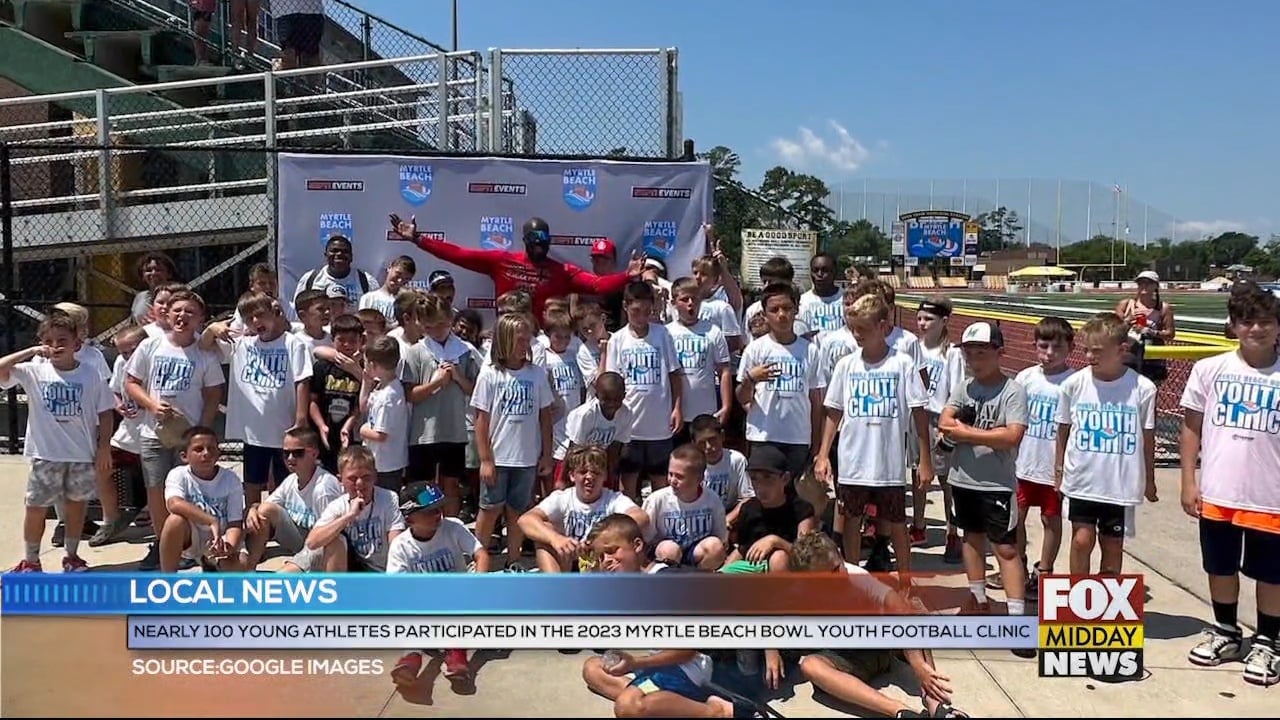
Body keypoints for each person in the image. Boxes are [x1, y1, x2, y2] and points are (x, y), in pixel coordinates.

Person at [1180, 280, 1280, 686]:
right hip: (1220, 490)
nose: (1256, 329)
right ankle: (1226, 631)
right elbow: (1190, 428)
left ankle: (1269, 641)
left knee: (1272, 575)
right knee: (1220, 566)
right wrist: (1189, 479)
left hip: (1271, 495)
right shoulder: (1210, 369)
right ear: (1234, 325)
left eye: (1266, 321)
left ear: (1278, 326)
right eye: (1247, 321)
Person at [788, 531, 969, 719]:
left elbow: (900, 610)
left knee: (914, 614)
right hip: (845, 656)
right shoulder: (802, 592)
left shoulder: (858, 577)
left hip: (880, 643)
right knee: (810, 666)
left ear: (841, 556)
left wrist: (917, 665)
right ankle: (899, 711)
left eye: (836, 568)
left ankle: (934, 701)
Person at [816, 293, 931, 574]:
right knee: (852, 521)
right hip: (853, 461)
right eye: (853, 328)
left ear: (883, 326)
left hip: (888, 463)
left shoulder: (902, 364)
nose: (857, 335)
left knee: (896, 524)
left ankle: (905, 582)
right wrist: (822, 455)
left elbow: (919, 413)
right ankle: (855, 579)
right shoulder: (847, 365)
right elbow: (833, 411)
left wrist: (925, 459)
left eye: (863, 329)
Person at [940, 322, 1032, 661]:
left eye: (982, 352)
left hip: (996, 483)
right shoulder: (964, 387)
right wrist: (966, 432)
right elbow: (944, 423)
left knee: (1006, 549)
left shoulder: (1012, 390)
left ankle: (1017, 619)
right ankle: (978, 600)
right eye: (970, 353)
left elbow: (1011, 436)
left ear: (998, 352)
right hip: (964, 479)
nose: (975, 359)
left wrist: (966, 433)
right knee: (971, 540)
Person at [0, 314, 114, 572]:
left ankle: (71, 556)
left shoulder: (90, 374)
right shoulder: (33, 371)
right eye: (49, 341)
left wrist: (104, 446)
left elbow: (105, 412)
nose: (56, 346)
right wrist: (30, 351)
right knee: (36, 507)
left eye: (63, 340)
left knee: (76, 506)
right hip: (46, 454)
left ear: (77, 344)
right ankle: (31, 559)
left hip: (81, 454)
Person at [125, 289, 226, 571]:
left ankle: (187, 546)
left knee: (188, 491)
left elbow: (214, 393)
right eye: (178, 311)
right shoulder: (151, 346)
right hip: (154, 433)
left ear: (200, 320)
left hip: (187, 436)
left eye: (190, 312)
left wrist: (201, 431)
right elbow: (132, 382)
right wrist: (152, 405)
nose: (183, 316)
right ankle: (162, 544)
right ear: (167, 314)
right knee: (156, 491)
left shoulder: (204, 354)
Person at [1053, 312, 1158, 577]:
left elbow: (1147, 437)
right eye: (1086, 350)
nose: (1089, 357)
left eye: (1097, 351)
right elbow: (1063, 429)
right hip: (1083, 480)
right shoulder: (1074, 384)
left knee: (1112, 544)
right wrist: (1058, 470)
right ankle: (1078, 597)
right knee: (1081, 540)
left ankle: (1107, 605)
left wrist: (1149, 479)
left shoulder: (1142, 389)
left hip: (1119, 484)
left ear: (1122, 349)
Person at [389, 214, 644, 320]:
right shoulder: (502, 261)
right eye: (534, 240)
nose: (539, 245)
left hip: (539, 341)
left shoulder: (562, 271)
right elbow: (459, 254)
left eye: (544, 240)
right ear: (525, 241)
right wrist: (419, 239)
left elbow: (597, 285)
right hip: (505, 333)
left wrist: (627, 276)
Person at [203, 293, 314, 508]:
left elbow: (302, 381)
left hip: (284, 428)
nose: (256, 322)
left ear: (275, 313)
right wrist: (212, 329)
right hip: (253, 431)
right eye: (249, 318)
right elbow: (204, 346)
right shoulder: (240, 344)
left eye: (260, 315)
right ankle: (252, 523)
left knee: (284, 482)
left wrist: (301, 419)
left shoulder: (293, 343)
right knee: (253, 482)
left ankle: (280, 523)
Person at [471, 313, 556, 566]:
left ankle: (514, 559)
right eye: (519, 341)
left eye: (526, 340)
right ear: (505, 341)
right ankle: (479, 557)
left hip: (526, 456)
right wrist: (486, 459)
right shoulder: (490, 375)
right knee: (490, 508)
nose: (525, 346)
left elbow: (545, 417)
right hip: (498, 456)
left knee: (518, 510)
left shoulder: (537, 374)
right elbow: (481, 420)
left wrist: (547, 454)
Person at [388, 482, 491, 686]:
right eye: (429, 512)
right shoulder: (401, 546)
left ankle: (456, 655)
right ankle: (411, 658)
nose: (438, 515)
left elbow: (481, 554)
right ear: (409, 519)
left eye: (439, 509)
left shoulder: (453, 527)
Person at [1004, 316, 1075, 594]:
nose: (1049, 354)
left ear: (1070, 348)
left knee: (1050, 519)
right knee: (1016, 517)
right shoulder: (1026, 378)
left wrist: (1063, 468)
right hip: (1023, 462)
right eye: (1043, 347)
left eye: (1056, 348)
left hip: (1053, 467)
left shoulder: (1073, 382)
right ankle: (1017, 565)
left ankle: (1045, 569)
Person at [603, 281, 683, 501]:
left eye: (647, 311)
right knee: (629, 478)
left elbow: (674, 374)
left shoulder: (662, 334)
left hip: (660, 424)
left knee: (660, 478)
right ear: (626, 307)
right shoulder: (618, 340)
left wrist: (677, 408)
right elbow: (612, 381)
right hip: (630, 424)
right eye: (636, 311)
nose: (641, 316)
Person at [736, 282, 824, 482]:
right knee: (765, 494)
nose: (781, 315)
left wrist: (817, 444)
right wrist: (751, 379)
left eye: (787, 308)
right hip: (763, 437)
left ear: (796, 310)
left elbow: (816, 401)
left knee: (795, 496)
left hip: (798, 437)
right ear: (765, 315)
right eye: (774, 310)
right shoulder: (756, 349)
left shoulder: (809, 350)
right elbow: (741, 396)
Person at [404, 295, 480, 517]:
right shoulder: (415, 351)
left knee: (451, 486)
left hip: (454, 431)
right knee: (425, 489)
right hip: (423, 433)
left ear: (450, 320)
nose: (437, 331)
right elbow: (411, 395)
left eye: (442, 325)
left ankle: (452, 531)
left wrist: (456, 376)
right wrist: (436, 382)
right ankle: (427, 530)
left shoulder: (464, 351)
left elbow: (473, 390)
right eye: (430, 326)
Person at [519, 444, 648, 573]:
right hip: (568, 559)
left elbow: (641, 518)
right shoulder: (562, 498)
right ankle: (556, 586)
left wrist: (597, 540)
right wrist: (556, 539)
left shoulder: (614, 499)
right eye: (583, 472)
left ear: (605, 476)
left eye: (596, 473)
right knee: (545, 532)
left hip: (599, 560)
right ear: (572, 475)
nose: (589, 477)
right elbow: (525, 520)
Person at [243, 427, 342, 570]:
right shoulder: (291, 480)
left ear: (314, 453)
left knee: (284, 577)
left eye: (297, 453)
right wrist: (252, 509)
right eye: (285, 453)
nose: (290, 458)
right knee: (264, 510)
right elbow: (266, 507)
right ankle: (249, 567)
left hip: (320, 543)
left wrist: (298, 563)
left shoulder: (324, 487)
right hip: (301, 539)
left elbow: (330, 536)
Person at [915, 297, 966, 560]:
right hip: (918, 416)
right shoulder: (914, 348)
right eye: (920, 318)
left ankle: (952, 532)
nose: (923, 324)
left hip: (939, 418)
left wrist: (948, 426)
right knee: (918, 474)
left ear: (944, 322)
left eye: (929, 319)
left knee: (947, 481)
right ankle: (919, 525)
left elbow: (957, 391)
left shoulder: (952, 353)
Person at [301, 445, 405, 572]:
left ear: (375, 476)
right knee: (334, 541)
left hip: (381, 570)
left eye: (366, 477)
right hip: (351, 567)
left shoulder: (388, 498)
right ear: (341, 480)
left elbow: (396, 542)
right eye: (353, 478)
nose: (360, 483)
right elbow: (312, 543)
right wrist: (349, 516)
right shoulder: (337, 505)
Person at [160, 426, 249, 572]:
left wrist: (228, 548)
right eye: (199, 449)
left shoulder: (231, 479)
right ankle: (167, 579)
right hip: (192, 537)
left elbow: (235, 523)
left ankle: (212, 563)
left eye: (211, 448)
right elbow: (174, 504)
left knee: (241, 567)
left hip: (222, 537)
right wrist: (211, 520)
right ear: (184, 456)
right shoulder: (178, 474)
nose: (206, 453)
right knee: (174, 520)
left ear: (218, 453)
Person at [727, 444, 817, 573]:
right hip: (755, 570)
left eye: (767, 478)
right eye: (754, 478)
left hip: (791, 573)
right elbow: (742, 549)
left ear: (785, 478)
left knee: (778, 558)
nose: (760, 486)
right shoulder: (749, 509)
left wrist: (776, 541)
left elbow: (806, 555)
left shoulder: (801, 510)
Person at [667, 278, 733, 447]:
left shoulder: (712, 331)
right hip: (674, 411)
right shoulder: (666, 333)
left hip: (705, 411)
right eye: (684, 299)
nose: (690, 304)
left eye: (695, 299)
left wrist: (726, 405)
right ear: (674, 302)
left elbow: (724, 370)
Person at [642, 444, 728, 570]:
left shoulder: (712, 499)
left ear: (699, 478)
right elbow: (646, 539)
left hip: (695, 552)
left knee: (714, 546)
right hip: (665, 554)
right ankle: (670, 584)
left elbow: (720, 537)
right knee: (669, 549)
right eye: (670, 474)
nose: (672, 480)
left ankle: (699, 582)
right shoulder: (657, 500)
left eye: (679, 476)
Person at [307, 313, 363, 472]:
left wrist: (349, 424)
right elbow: (312, 400)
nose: (347, 345)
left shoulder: (363, 368)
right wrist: (321, 425)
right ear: (333, 340)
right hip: (323, 432)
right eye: (341, 340)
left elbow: (360, 403)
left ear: (361, 340)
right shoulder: (322, 366)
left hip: (348, 434)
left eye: (353, 340)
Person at [359, 337, 409, 492]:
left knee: (385, 501)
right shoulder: (381, 386)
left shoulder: (389, 396)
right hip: (377, 460)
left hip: (386, 464)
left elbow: (381, 435)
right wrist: (366, 384)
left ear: (373, 364)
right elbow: (364, 407)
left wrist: (362, 430)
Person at [1115, 270, 1176, 384]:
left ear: (1156, 286)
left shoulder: (1163, 308)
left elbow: (1170, 334)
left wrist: (1151, 332)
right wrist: (1128, 321)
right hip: (1128, 357)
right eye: (1141, 283)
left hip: (1153, 358)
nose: (1144, 286)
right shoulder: (1125, 305)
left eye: (1148, 283)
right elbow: (1114, 329)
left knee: (1150, 392)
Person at [293, 235, 379, 315]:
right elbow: (298, 312)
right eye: (334, 250)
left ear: (351, 257)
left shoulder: (366, 280)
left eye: (345, 251)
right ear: (326, 255)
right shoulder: (310, 279)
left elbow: (375, 313)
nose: (339, 254)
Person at [358, 256, 416, 328]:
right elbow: (362, 323)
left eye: (406, 279)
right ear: (390, 268)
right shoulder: (368, 298)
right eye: (398, 274)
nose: (400, 280)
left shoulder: (406, 303)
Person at [131, 252, 179, 323]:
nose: (153, 273)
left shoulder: (178, 296)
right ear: (142, 275)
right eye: (148, 270)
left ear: (169, 274)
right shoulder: (140, 297)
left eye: (158, 270)